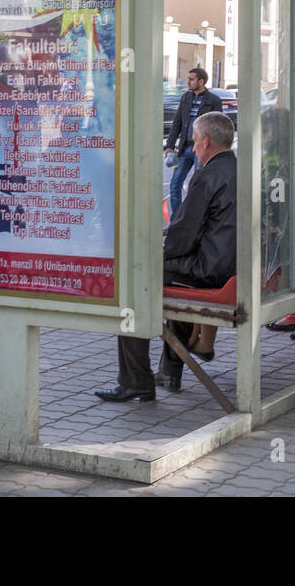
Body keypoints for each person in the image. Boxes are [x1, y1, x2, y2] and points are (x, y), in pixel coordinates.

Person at [97, 111, 237, 402]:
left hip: (208, 269)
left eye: (195, 141)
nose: (194, 147)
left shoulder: (207, 176)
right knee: (169, 276)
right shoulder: (238, 169)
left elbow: (183, 234)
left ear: (207, 141)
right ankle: (170, 371)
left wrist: (154, 253)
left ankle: (136, 380)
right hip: (229, 265)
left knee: (134, 281)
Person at [164, 67, 223, 218]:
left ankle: (196, 221)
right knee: (175, 184)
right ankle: (177, 221)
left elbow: (218, 126)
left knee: (198, 187)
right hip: (185, 147)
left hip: (202, 149)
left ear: (201, 81)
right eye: (188, 78)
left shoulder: (213, 101)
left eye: (191, 79)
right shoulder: (186, 98)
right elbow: (177, 122)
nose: (188, 82)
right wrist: (170, 146)